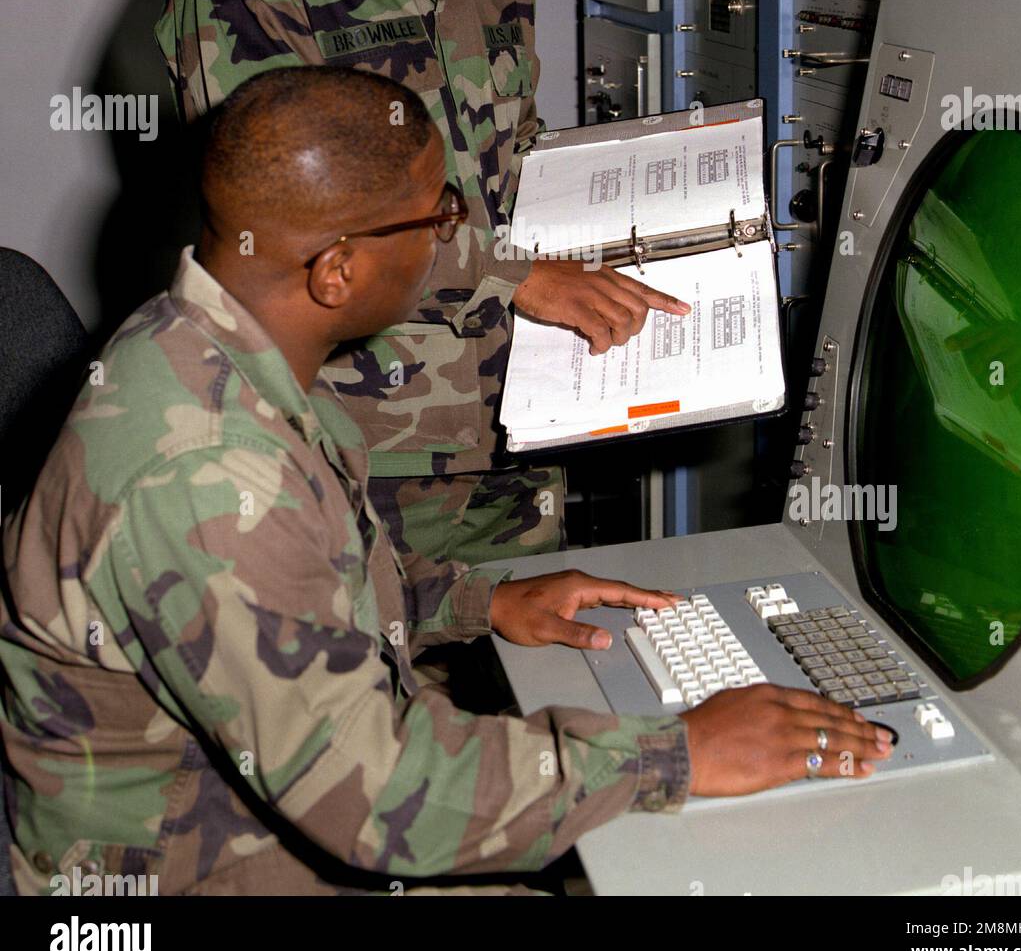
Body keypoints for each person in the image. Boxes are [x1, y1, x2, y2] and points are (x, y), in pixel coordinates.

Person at [0, 69, 893, 897]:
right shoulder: (205, 468)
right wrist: (678, 754)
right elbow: (377, 800)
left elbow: (303, 591)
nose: (451, 239)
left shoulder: (201, 340)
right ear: (337, 270)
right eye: (435, 218)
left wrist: (478, 601)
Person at [153, 0, 689, 569]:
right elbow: (291, 222)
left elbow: (509, 155)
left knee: (531, 696)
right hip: (352, 462)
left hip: (516, 437)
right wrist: (520, 277)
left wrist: (629, 207)